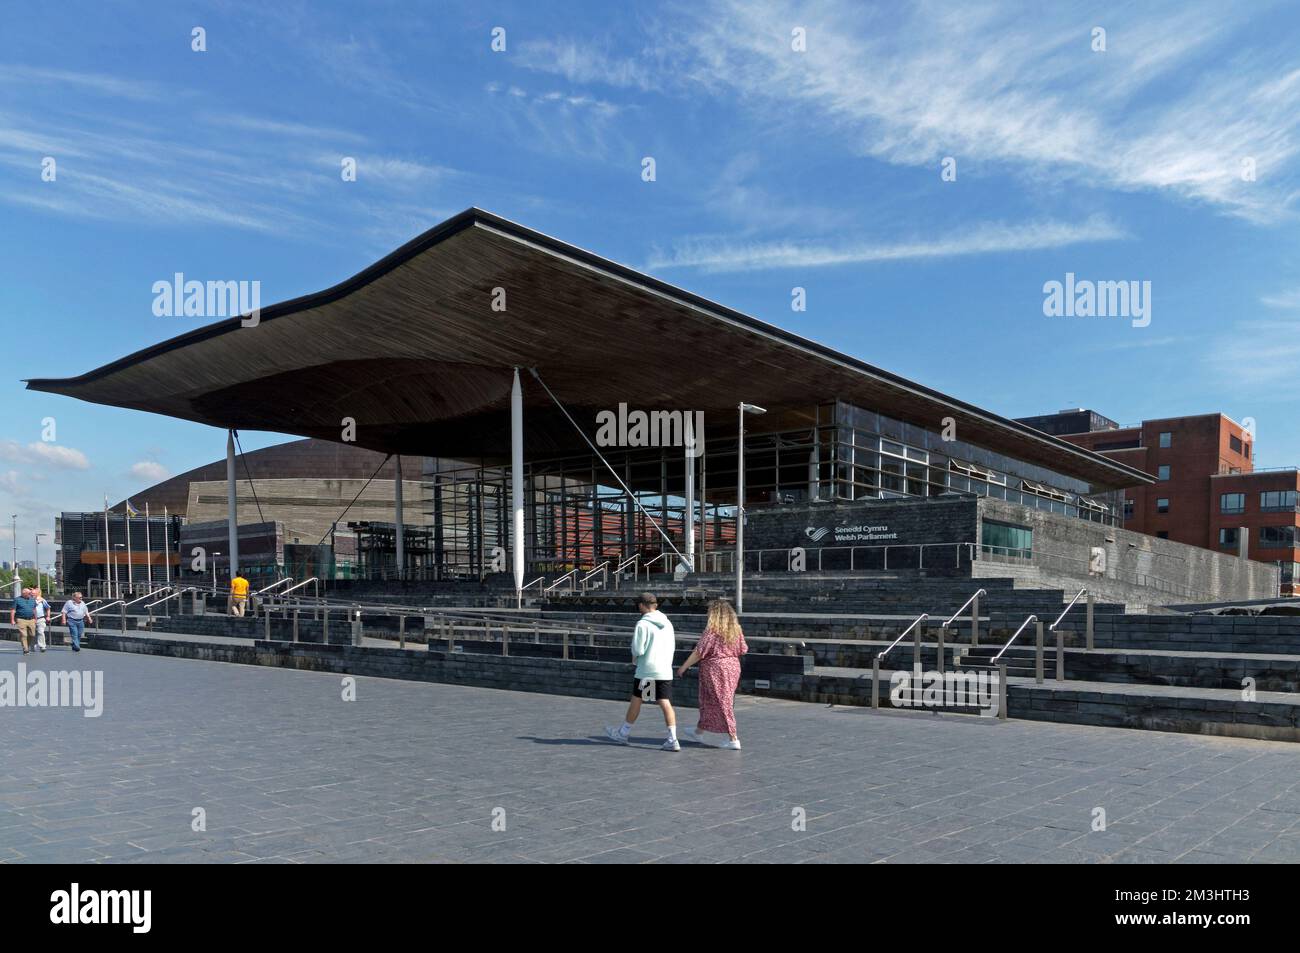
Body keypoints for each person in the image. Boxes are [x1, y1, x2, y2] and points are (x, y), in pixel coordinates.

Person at [605, 592, 679, 751]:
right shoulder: (667, 623)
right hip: (664, 669)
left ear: (641, 605)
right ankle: (673, 739)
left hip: (647, 670)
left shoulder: (642, 624)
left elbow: (638, 649)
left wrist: (635, 658)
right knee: (665, 702)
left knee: (637, 700)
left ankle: (623, 733)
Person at [677, 598, 748, 750]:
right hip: (733, 666)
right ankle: (699, 731)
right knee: (711, 699)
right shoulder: (736, 629)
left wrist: (683, 667)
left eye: (709, 612)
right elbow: (743, 649)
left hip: (716, 668)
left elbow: (699, 652)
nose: (707, 614)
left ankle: (733, 738)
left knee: (722, 701)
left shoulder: (712, 631)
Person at [10, 587, 38, 655]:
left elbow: (34, 609)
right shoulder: (17, 599)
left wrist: (36, 619)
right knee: (24, 635)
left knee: (32, 635)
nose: (30, 594)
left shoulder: (32, 600)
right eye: (29, 593)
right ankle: (25, 649)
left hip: (31, 619)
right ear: (24, 593)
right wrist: (12, 620)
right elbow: (13, 610)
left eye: (30, 593)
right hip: (21, 619)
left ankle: (27, 646)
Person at [31, 587, 51, 653]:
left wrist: (48, 616)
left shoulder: (42, 600)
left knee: (40, 632)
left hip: (40, 618)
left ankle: (42, 646)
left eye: (33, 593)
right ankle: (33, 646)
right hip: (31, 619)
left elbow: (48, 608)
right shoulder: (29, 600)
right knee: (32, 633)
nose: (32, 594)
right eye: (31, 593)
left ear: (37, 593)